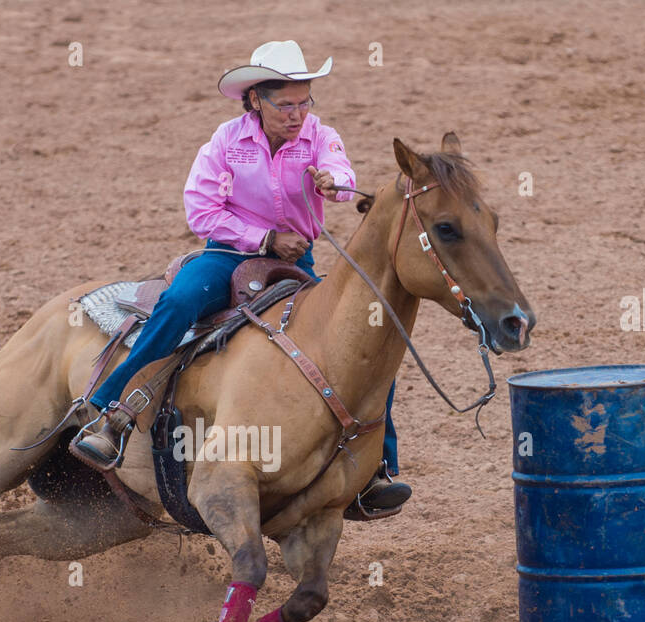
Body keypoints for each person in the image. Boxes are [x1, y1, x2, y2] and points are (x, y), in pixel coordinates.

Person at [70, 40, 410, 513]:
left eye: (304, 102)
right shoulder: (226, 141)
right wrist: (266, 240)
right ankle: (112, 412)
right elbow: (202, 212)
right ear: (256, 100)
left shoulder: (320, 136)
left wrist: (334, 183)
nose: (297, 114)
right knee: (180, 302)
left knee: (365, 337)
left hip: (299, 262)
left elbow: (340, 174)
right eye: (286, 104)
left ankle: (375, 469)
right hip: (228, 256)